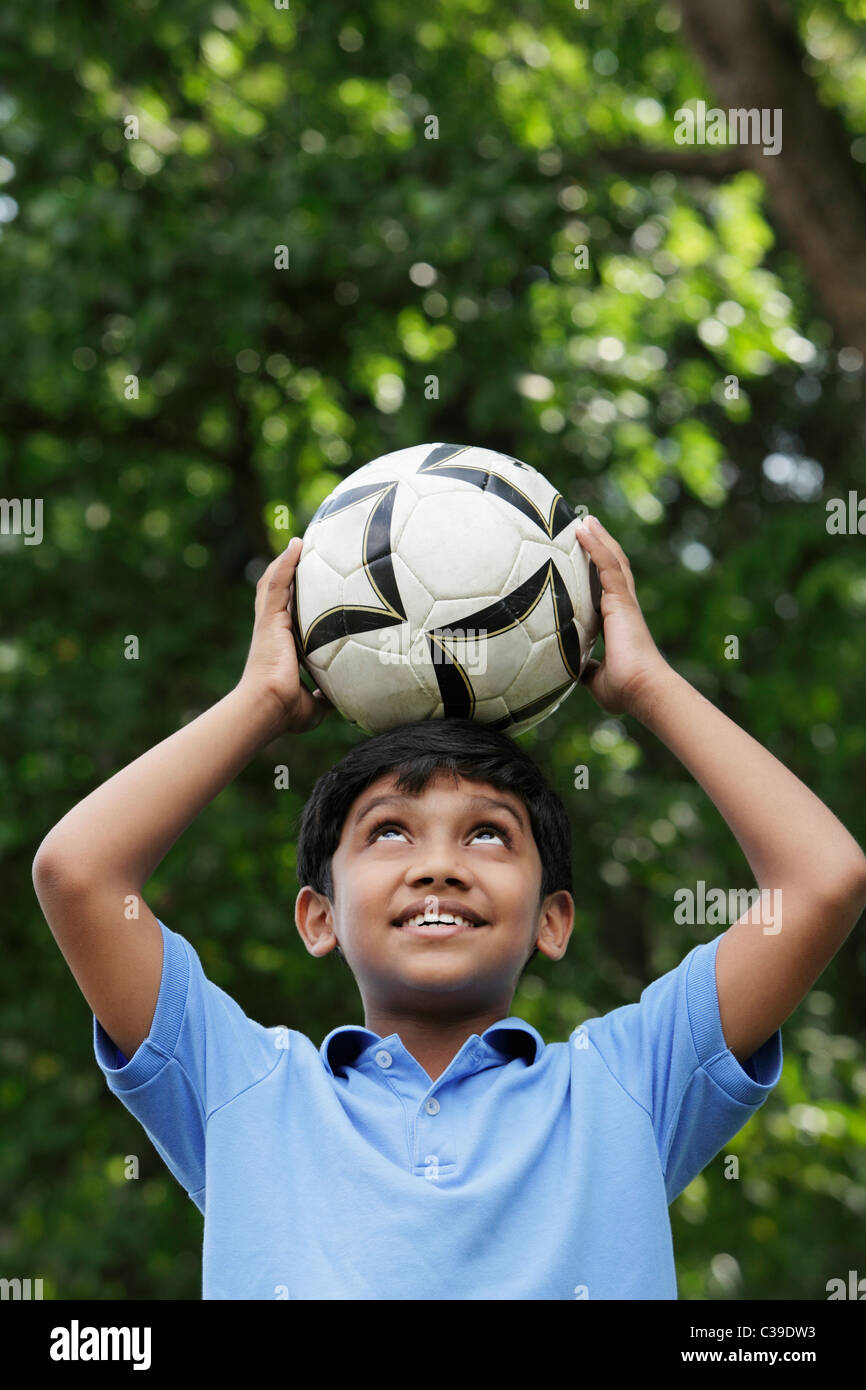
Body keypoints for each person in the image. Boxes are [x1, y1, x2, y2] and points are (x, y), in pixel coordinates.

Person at [32, 519, 866, 1299]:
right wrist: (260, 704)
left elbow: (822, 878)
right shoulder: (242, 1088)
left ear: (554, 919)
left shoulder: (626, 1087)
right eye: (390, 832)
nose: (439, 867)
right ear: (317, 917)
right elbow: (80, 875)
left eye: (490, 837)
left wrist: (649, 684)